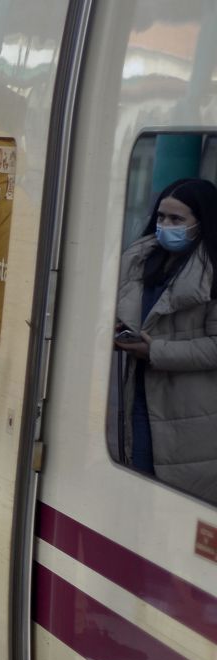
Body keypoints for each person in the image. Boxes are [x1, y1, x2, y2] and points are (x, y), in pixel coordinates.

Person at [114, 178, 217, 497]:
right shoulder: (142, 260)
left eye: (176, 219)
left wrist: (156, 351)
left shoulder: (211, 271)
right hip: (139, 396)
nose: (165, 226)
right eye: (161, 217)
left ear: (202, 223)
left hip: (190, 413)